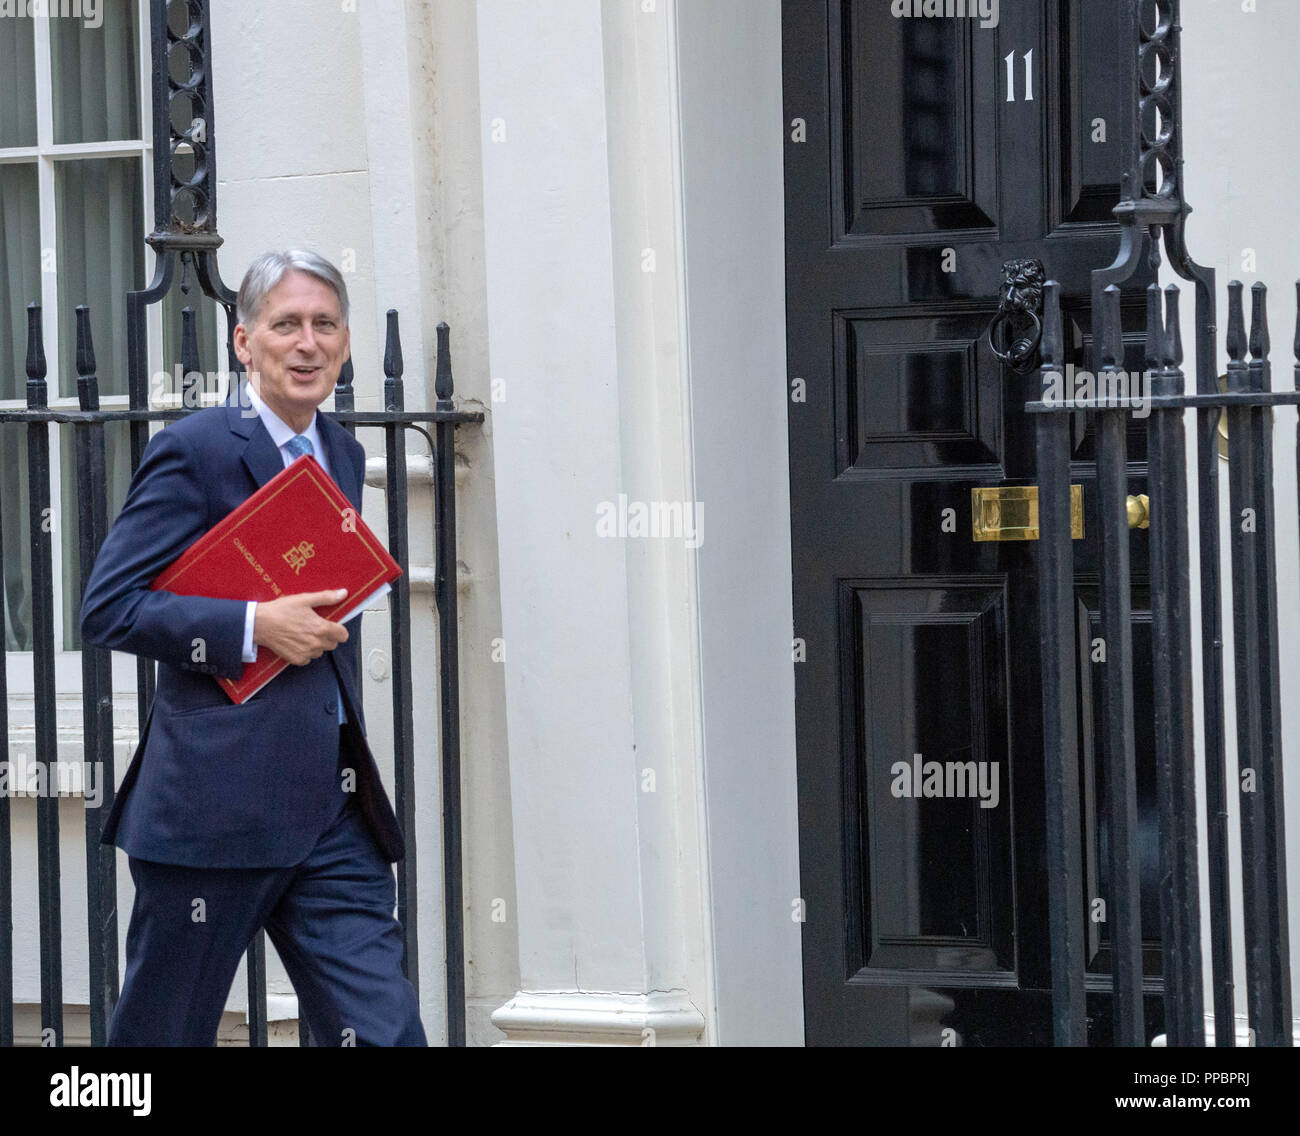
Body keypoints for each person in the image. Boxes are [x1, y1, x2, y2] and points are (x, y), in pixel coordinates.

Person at [80, 249, 426, 1047]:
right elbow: (111, 608)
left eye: (324, 326)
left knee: (384, 1031)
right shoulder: (196, 450)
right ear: (244, 343)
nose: (306, 344)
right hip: (213, 812)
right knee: (160, 1040)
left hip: (334, 813)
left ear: (343, 343)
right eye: (286, 325)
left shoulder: (341, 452)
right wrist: (251, 626)